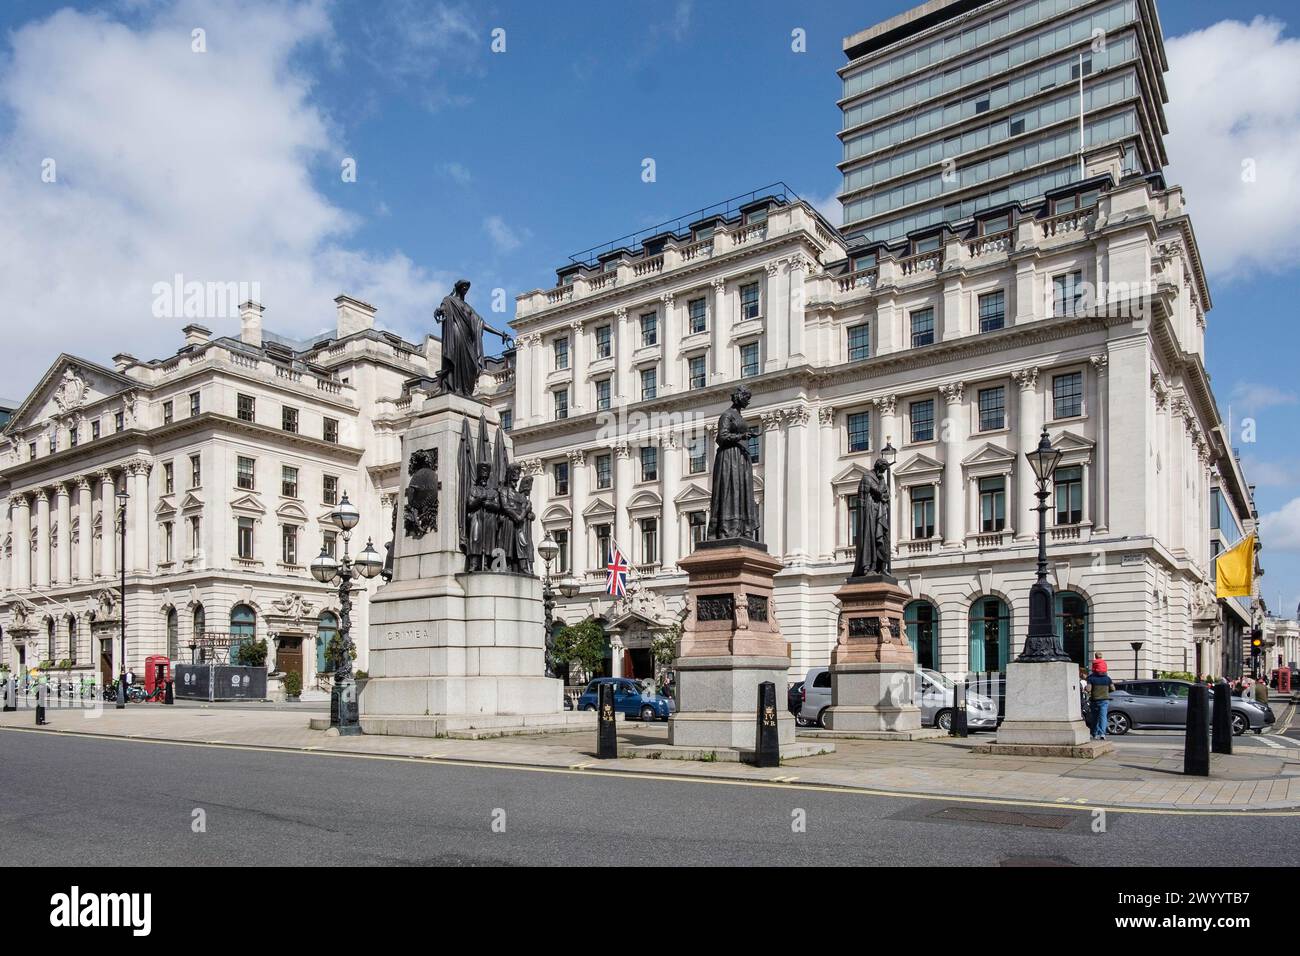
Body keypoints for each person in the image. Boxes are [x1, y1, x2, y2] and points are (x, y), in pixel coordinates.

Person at [1087, 653, 1114, 741]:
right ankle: (1102, 733)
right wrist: (1106, 691)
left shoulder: (1091, 678)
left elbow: (1088, 689)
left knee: (1095, 717)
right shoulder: (1107, 678)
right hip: (1104, 700)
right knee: (1103, 717)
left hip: (1094, 700)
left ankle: (1094, 733)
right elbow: (1113, 689)